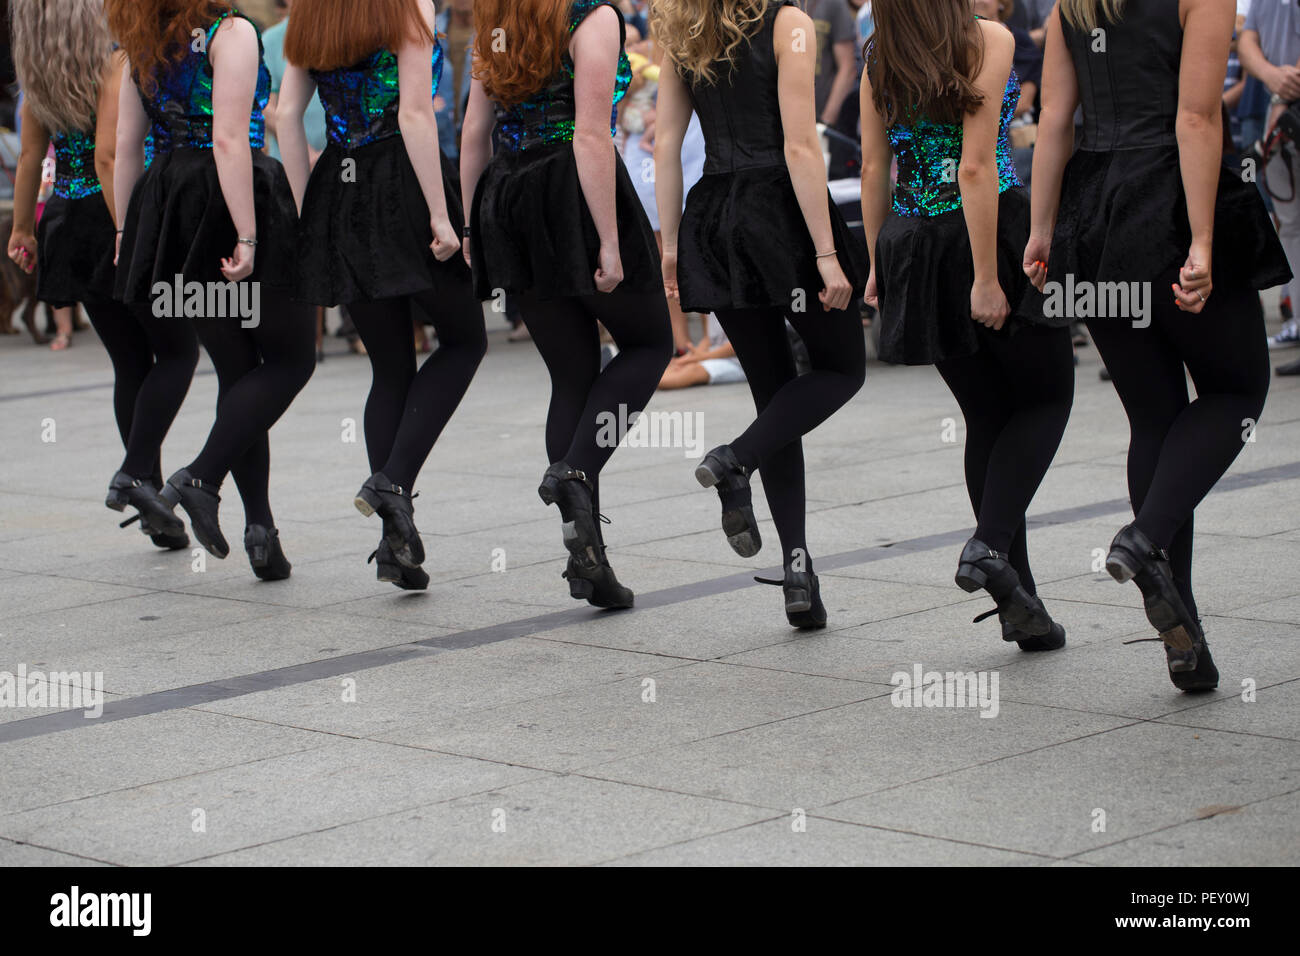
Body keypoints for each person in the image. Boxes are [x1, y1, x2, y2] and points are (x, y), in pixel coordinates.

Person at [1027, 0, 1290, 689]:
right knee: (1237, 388)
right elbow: (1195, 117)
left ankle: (1187, 641)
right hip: (1174, 196)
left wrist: (1042, 229)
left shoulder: (1072, 7)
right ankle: (1144, 542)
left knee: (1154, 417)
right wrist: (1202, 241)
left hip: (1094, 211)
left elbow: (1056, 122)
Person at [862, 0, 1072, 651]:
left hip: (913, 241)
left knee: (987, 416)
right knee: (1046, 399)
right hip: (984, 235)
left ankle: (1021, 602)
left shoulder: (880, 52)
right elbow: (977, 165)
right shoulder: (988, 39)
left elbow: (874, 168)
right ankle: (989, 546)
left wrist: (877, 264)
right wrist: (986, 276)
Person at [654, 0, 867, 629]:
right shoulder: (788, 24)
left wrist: (669, 247)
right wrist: (828, 255)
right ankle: (734, 459)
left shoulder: (681, 28)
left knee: (775, 397)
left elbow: (667, 145)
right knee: (843, 370)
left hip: (714, 216)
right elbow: (801, 145)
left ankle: (798, 570)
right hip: (780, 215)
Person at [462, 0, 672, 609]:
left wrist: (476, 230)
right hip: (571, 189)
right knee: (652, 343)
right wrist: (608, 238)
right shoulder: (593, 16)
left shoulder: (496, 23)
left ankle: (589, 565)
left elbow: (474, 135)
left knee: (571, 376)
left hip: (508, 195)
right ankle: (575, 472)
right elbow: (589, 134)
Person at [279, 0, 487, 590]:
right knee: (465, 341)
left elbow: (286, 115)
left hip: (339, 188)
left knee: (391, 366)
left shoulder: (310, 16)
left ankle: (394, 539)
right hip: (405, 182)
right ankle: (391, 484)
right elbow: (416, 115)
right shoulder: (408, 6)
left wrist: (306, 209)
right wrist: (444, 218)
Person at [109, 0, 317, 581]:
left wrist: (128, 231)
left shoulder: (141, 41)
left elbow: (128, 145)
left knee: (238, 373)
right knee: (293, 360)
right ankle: (200, 476)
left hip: (169, 205)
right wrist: (248, 234)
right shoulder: (232, 32)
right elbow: (228, 139)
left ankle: (261, 532)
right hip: (230, 197)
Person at [8, 0, 195, 549]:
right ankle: (137, 472)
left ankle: (152, 502)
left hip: (65, 221)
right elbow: (108, 157)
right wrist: (129, 235)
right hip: (114, 216)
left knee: (130, 363)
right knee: (179, 352)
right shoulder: (116, 61)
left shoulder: (38, 78)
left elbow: (28, 160)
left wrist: (23, 229)